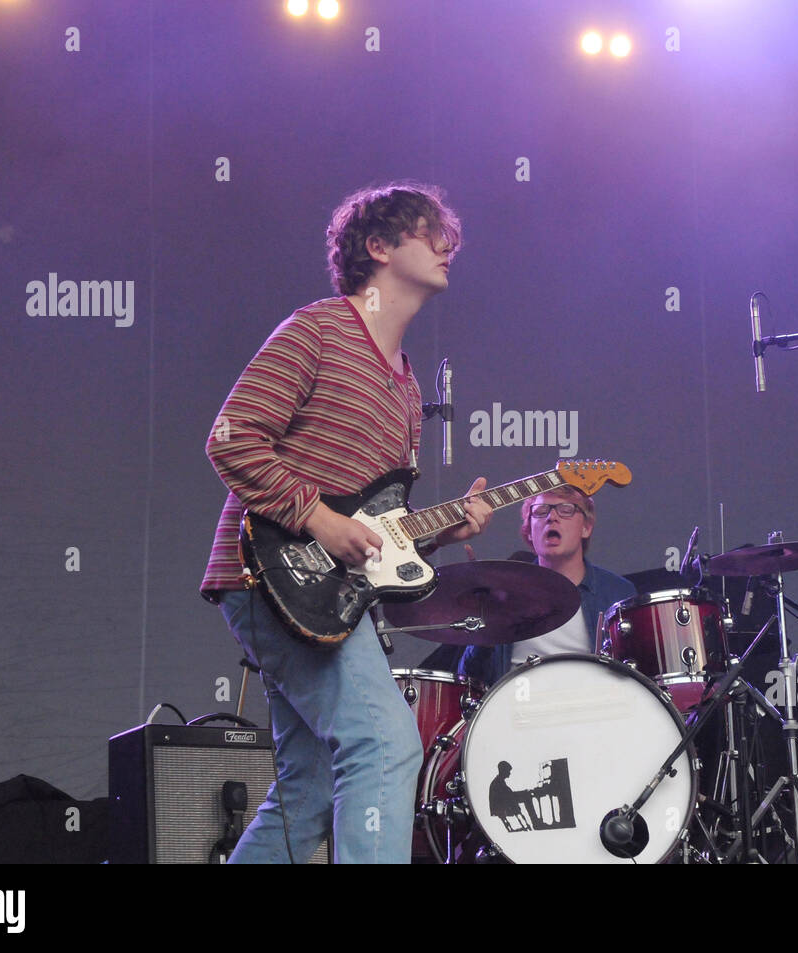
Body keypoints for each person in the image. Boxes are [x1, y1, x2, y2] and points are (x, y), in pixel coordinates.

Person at [200, 182, 492, 863]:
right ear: (379, 246)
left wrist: (440, 532)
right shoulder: (319, 329)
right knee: (387, 742)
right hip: (266, 574)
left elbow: (374, 520)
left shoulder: (408, 386)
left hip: (327, 593)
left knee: (310, 792)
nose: (449, 245)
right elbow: (232, 437)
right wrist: (315, 516)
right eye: (430, 232)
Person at [459, 485, 633, 686]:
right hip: (518, 707)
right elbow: (470, 679)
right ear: (530, 531)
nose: (552, 517)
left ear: (586, 527)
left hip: (592, 708)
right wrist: (488, 625)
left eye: (566, 510)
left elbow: (635, 678)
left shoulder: (618, 593)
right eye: (541, 512)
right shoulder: (505, 592)